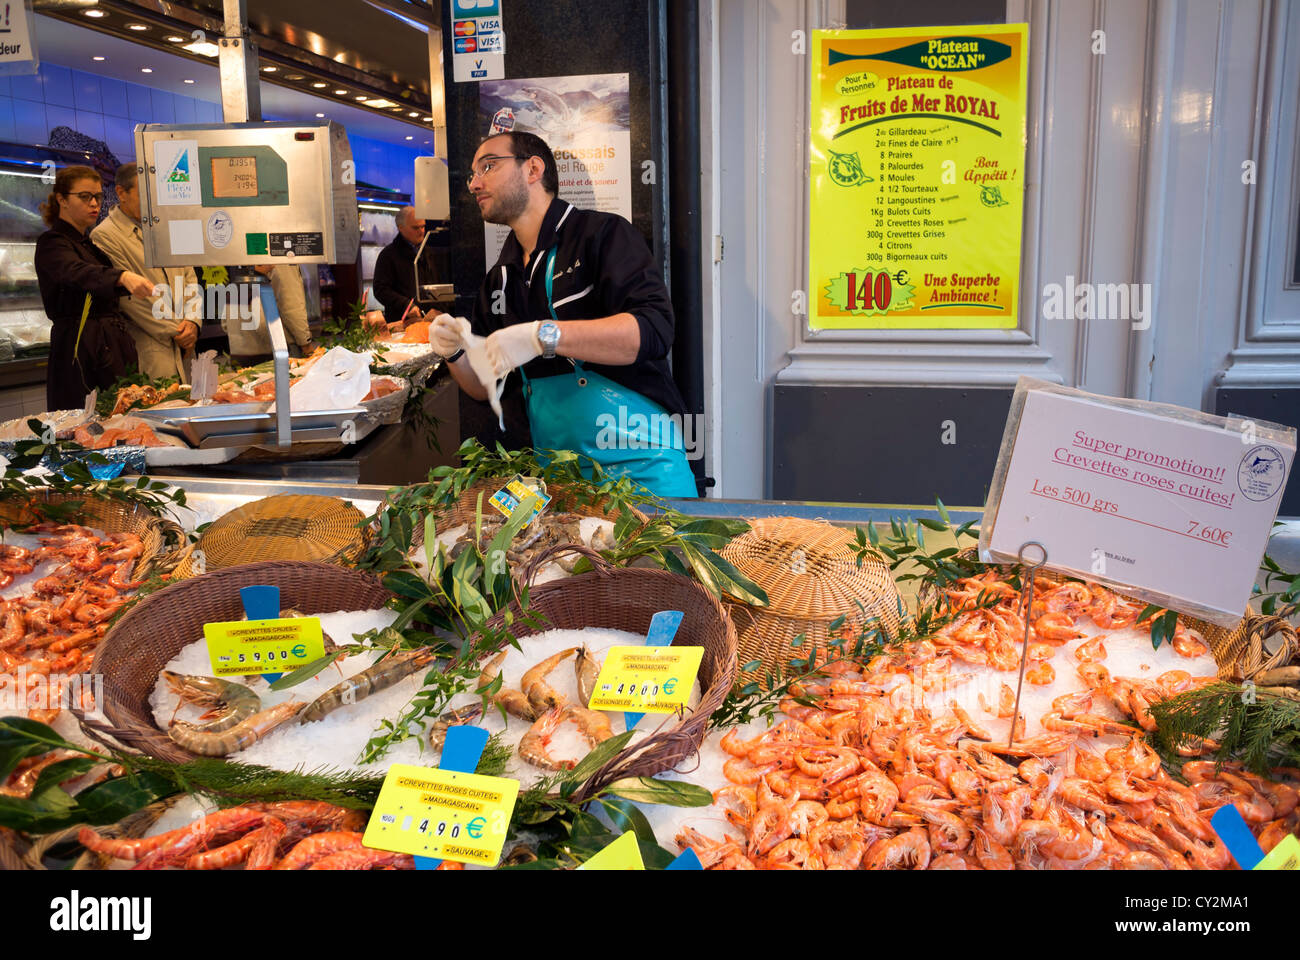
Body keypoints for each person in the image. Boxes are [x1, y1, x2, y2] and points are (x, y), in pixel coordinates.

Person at [429, 131, 696, 498]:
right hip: (561, 476)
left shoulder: (602, 235)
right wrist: (455, 353)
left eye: (488, 166)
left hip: (642, 464)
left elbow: (653, 330)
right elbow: (482, 384)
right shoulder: (500, 278)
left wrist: (544, 336)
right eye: (473, 174)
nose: (474, 183)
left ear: (533, 168)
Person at [35, 165, 154, 410]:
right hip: (81, 350)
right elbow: (75, 272)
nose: (94, 203)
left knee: (120, 419)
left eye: (98, 196)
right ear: (62, 199)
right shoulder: (52, 243)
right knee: (85, 426)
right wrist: (121, 277)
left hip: (108, 347)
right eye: (85, 196)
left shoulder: (86, 243)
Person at [90, 163, 199, 382]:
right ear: (121, 193)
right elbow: (130, 299)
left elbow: (190, 277)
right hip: (149, 348)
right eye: (145, 194)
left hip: (186, 343)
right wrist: (178, 332)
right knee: (156, 410)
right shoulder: (104, 236)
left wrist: (193, 322)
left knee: (193, 409)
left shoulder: (167, 226)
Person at [225, 263, 316, 366]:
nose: (272, 266)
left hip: (240, 354)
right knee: (286, 380)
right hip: (277, 351)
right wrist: (305, 344)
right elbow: (291, 307)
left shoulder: (240, 271)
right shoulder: (281, 260)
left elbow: (225, 324)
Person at [372, 206, 437, 327]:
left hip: (429, 322)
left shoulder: (428, 252)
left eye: (423, 226)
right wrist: (406, 305)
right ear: (400, 228)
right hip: (401, 324)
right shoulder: (388, 255)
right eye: (415, 227)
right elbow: (380, 289)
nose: (421, 231)